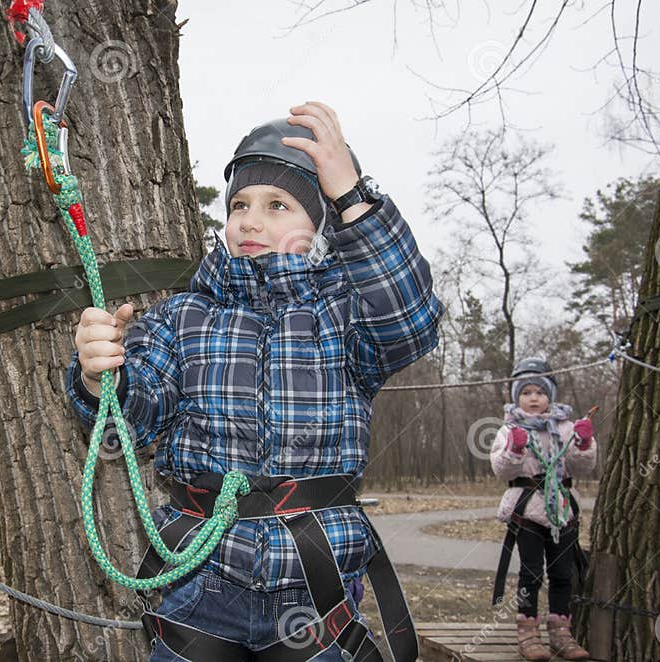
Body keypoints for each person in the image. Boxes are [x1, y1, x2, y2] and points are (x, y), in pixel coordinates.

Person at [66, 101, 444, 661]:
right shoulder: (183, 316)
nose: (249, 219)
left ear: (320, 224)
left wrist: (351, 196)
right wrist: (101, 380)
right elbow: (132, 425)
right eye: (239, 203)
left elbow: (409, 319)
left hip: (315, 586)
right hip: (199, 583)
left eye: (277, 205)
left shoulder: (346, 317)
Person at [490, 357, 597, 661]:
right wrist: (514, 449)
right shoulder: (508, 429)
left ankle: (561, 632)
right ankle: (527, 630)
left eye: (539, 391)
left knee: (563, 573)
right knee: (531, 572)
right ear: (516, 397)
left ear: (550, 395)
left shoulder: (565, 427)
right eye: (526, 392)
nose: (533, 398)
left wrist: (585, 443)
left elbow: (581, 466)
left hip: (562, 510)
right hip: (527, 511)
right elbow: (502, 469)